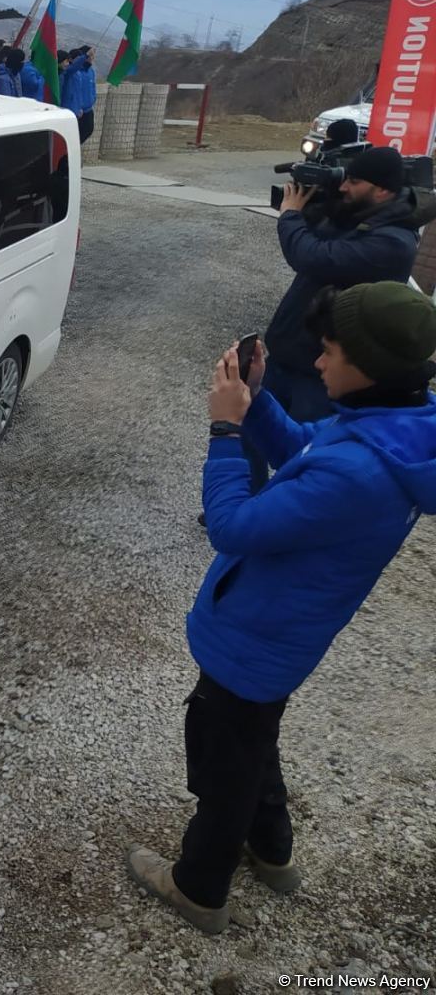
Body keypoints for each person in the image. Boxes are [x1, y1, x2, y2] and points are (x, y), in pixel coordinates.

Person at [128, 281, 436, 935]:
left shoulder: (359, 472)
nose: (318, 363)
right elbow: (302, 451)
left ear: (371, 367)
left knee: (224, 766)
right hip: (282, 637)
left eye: (330, 352)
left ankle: (199, 888)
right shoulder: (398, 427)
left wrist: (223, 428)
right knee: (252, 742)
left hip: (255, 639)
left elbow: (234, 526)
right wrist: (260, 400)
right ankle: (273, 853)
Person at [249, 146, 436, 488]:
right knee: (256, 427)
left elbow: (314, 257)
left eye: (354, 181)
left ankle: (281, 513)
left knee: (305, 449)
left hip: (326, 367)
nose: (345, 187)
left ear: (382, 189)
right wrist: (320, 194)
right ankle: (249, 491)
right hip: (290, 349)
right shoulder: (358, 211)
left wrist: (290, 215)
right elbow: (318, 228)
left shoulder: (394, 241)